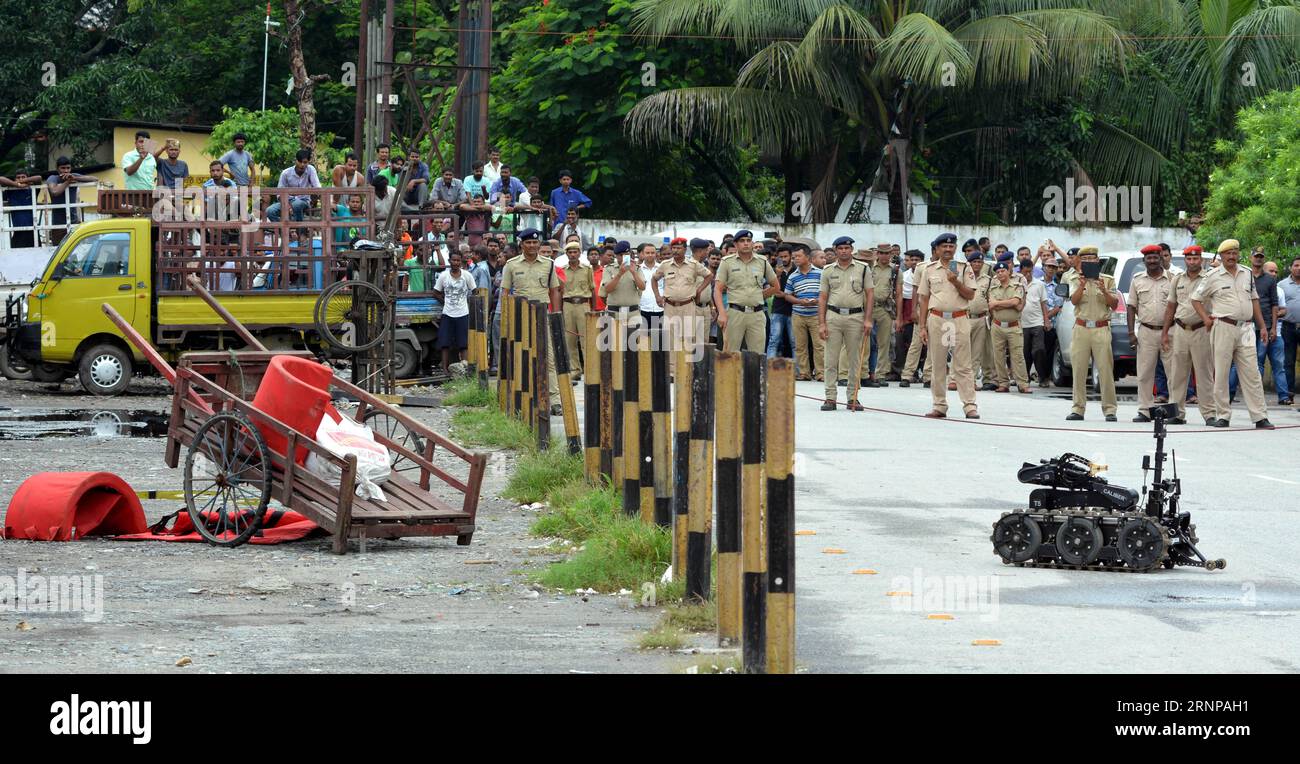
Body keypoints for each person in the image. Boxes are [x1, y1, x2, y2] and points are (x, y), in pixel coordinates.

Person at [1190, 239, 1274, 429]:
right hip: (1223, 326)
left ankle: (1260, 416)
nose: (1231, 256)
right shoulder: (1213, 276)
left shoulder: (1247, 273)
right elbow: (1196, 299)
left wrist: (1262, 326)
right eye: (1228, 253)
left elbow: (1254, 301)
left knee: (1252, 373)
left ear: (1238, 254)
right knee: (1221, 372)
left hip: (1246, 328)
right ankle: (1223, 415)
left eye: (1234, 253)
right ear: (1221, 256)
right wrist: (1206, 319)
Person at [917, 232, 979, 418]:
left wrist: (956, 282)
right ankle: (939, 405)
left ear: (955, 249)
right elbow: (924, 298)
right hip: (937, 319)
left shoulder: (963, 268)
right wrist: (921, 327)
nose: (948, 249)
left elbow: (970, 295)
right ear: (937, 249)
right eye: (944, 246)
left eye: (951, 246)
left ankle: (970, 405)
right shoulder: (929, 270)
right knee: (938, 363)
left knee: (963, 364)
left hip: (958, 319)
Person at [501, 228, 562, 412]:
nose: (532, 246)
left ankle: (555, 401)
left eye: (535, 242)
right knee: (521, 356)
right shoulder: (511, 265)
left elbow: (555, 291)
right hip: (520, 315)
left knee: (549, 358)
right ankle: (522, 398)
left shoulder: (549, 264)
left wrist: (556, 315)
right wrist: (507, 317)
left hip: (543, 316)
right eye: (528, 242)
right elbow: (505, 293)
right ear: (522, 244)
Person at [1227, 247, 1290, 406]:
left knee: (1259, 362)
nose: (1258, 259)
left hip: (1265, 327)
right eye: (1256, 256)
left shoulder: (1270, 279)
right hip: (1245, 325)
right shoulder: (1243, 276)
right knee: (1237, 362)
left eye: (1261, 257)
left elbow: (1275, 305)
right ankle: (1229, 394)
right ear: (1250, 258)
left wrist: (1273, 328)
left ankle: (1257, 396)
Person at [1159, 245, 1215, 425]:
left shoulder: (1210, 278)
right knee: (1177, 375)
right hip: (1181, 330)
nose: (1192, 262)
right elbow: (1170, 307)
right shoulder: (1177, 279)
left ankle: (1209, 414)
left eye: (1195, 258)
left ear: (1201, 259)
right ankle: (1176, 413)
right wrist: (1165, 332)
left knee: (1204, 374)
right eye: (1189, 259)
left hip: (1202, 330)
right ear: (1185, 260)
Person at [817, 236, 872, 411]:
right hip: (833, 316)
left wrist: (868, 319)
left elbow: (870, 294)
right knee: (830, 360)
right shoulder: (827, 270)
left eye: (847, 248)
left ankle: (853, 397)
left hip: (855, 317)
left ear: (851, 250)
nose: (844, 251)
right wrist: (821, 323)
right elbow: (823, 297)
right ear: (835, 250)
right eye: (840, 248)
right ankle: (830, 398)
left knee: (854, 360)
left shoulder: (863, 269)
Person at [1063, 246, 1118, 421]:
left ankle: (1110, 410)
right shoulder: (1074, 278)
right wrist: (1082, 285)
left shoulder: (1107, 280)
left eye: (1092, 259)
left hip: (1101, 328)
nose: (1088, 261)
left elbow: (1114, 304)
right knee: (1078, 370)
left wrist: (1104, 290)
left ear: (1097, 260)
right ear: (1080, 261)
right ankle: (1078, 409)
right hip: (1081, 328)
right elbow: (1074, 300)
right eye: (1084, 259)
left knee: (1105, 370)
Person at [1127, 244, 1173, 422]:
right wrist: (1131, 333)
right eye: (1149, 258)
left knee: (1173, 373)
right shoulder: (1137, 280)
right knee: (1145, 373)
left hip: (1169, 332)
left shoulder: (1172, 279)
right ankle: (1145, 411)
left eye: (1155, 257)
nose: (1152, 261)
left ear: (1161, 258)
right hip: (1146, 330)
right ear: (1144, 260)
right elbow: (1131, 307)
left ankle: (1173, 411)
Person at [714, 229, 778, 352]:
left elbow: (776, 286)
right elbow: (717, 289)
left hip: (757, 314)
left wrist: (758, 296)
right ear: (736, 244)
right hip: (735, 313)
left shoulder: (762, 261)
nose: (746, 243)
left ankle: (753, 373)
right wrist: (721, 313)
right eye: (742, 241)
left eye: (749, 240)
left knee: (757, 354)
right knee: (730, 353)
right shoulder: (727, 262)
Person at [653, 237, 712, 355]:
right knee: (670, 339)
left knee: (688, 338)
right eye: (673, 248)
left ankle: (686, 369)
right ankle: (672, 370)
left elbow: (709, 276)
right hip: (670, 306)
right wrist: (657, 297)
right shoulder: (665, 265)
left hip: (688, 306)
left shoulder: (693, 265)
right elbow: (654, 279)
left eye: (679, 248)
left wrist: (699, 291)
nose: (675, 251)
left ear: (685, 250)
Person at [987, 261, 1030, 393]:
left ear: (1008, 271)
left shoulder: (1017, 286)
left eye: (1003, 271)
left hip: (1013, 326)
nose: (1000, 274)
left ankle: (1022, 384)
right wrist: (1009, 303)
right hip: (997, 326)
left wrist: (998, 304)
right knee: (998, 356)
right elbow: (991, 305)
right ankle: (1003, 383)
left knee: (1017, 356)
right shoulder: (993, 289)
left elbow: (1016, 302)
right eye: (998, 272)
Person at [433, 251, 477, 373]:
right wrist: (445, 302)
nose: (456, 263)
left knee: (464, 343)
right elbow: (436, 292)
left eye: (458, 260)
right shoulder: (443, 276)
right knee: (445, 343)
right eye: (454, 260)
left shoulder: (467, 276)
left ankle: (465, 368)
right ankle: (445, 370)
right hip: (447, 313)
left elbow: (475, 291)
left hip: (463, 313)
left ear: (461, 261)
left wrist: (468, 303)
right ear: (449, 261)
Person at [784, 244, 823, 380]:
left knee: (819, 345)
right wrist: (800, 301)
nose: (795, 259)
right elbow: (787, 295)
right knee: (800, 346)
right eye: (794, 257)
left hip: (816, 314)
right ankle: (804, 373)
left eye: (798, 256)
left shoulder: (820, 273)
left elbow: (826, 293)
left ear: (807, 257)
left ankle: (821, 374)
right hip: (798, 314)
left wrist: (817, 300)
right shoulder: (792, 276)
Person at [42, 158, 98, 246]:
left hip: (74, 222)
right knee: (58, 250)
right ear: (57, 169)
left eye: (68, 168)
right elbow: (55, 192)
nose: (66, 171)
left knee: (76, 250)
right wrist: (68, 182)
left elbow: (95, 179)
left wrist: (75, 178)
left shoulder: (73, 176)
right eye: (63, 168)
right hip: (58, 224)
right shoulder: (53, 178)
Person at [559, 242, 595, 376]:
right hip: (567, 304)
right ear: (566, 254)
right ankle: (575, 369)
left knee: (586, 338)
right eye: (570, 252)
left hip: (583, 304)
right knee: (570, 339)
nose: (573, 255)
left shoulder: (587, 269)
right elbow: (559, 290)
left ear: (580, 253)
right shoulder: (562, 270)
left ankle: (590, 369)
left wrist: (594, 309)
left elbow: (593, 289)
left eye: (575, 252)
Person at [965, 245, 994, 390]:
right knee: (960, 350)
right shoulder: (963, 277)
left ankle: (971, 380)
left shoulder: (988, 280)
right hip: (964, 317)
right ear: (969, 263)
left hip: (982, 318)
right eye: (974, 262)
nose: (977, 264)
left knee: (976, 352)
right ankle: (954, 379)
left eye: (979, 262)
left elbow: (990, 299)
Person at [867, 245, 896, 387]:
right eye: (882, 253)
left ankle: (881, 374)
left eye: (887, 253)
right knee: (865, 342)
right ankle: (864, 372)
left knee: (884, 343)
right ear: (877, 253)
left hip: (885, 308)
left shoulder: (895, 270)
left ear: (891, 254)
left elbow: (900, 294)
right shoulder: (869, 268)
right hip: (868, 308)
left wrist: (899, 317)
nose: (885, 256)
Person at [893, 248, 924, 384]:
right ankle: (906, 374)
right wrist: (904, 317)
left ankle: (926, 374)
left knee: (927, 347)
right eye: (911, 260)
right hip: (909, 315)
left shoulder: (927, 273)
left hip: (927, 312)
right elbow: (903, 297)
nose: (914, 262)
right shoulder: (904, 276)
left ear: (922, 261)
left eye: (917, 260)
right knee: (912, 345)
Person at [1018, 258, 1049, 386]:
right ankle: (1025, 378)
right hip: (1022, 323)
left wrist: (1046, 320)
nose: (1028, 275)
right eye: (1026, 272)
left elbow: (1043, 304)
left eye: (1030, 272)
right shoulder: (1016, 284)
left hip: (1037, 322)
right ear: (1021, 271)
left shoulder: (1039, 285)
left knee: (1039, 350)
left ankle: (1042, 377)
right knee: (1024, 352)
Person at [267, 149, 320, 222]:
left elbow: (317, 187)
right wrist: (288, 206)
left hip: (303, 201)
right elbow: (279, 194)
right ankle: (285, 231)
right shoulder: (286, 173)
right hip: (287, 201)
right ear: (296, 160)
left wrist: (314, 200)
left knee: (297, 204)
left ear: (308, 162)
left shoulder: (310, 169)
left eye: (305, 162)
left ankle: (299, 231)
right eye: (299, 162)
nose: (302, 165)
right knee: (270, 211)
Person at [1, 169, 44, 248]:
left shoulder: (32, 190)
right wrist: (16, 185)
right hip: (18, 231)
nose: (21, 179)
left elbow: (39, 178)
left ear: (28, 178)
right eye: (18, 177)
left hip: (33, 230)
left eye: (23, 177)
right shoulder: (11, 191)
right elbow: (1, 179)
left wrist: (23, 181)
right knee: (16, 257)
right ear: (14, 179)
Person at [766, 243, 795, 360]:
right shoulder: (773, 271)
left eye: (785, 256)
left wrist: (786, 295)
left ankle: (798, 372)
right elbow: (774, 291)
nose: (783, 259)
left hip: (794, 311)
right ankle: (768, 368)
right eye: (781, 257)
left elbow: (798, 293)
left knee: (794, 342)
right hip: (778, 310)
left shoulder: (796, 270)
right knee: (774, 340)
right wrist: (777, 276)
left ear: (791, 256)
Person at [1280, 257, 1300, 403]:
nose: (1299, 268)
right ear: (1291, 267)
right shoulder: (1282, 285)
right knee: (1288, 361)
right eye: (1296, 265)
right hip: (1288, 327)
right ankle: (1289, 394)